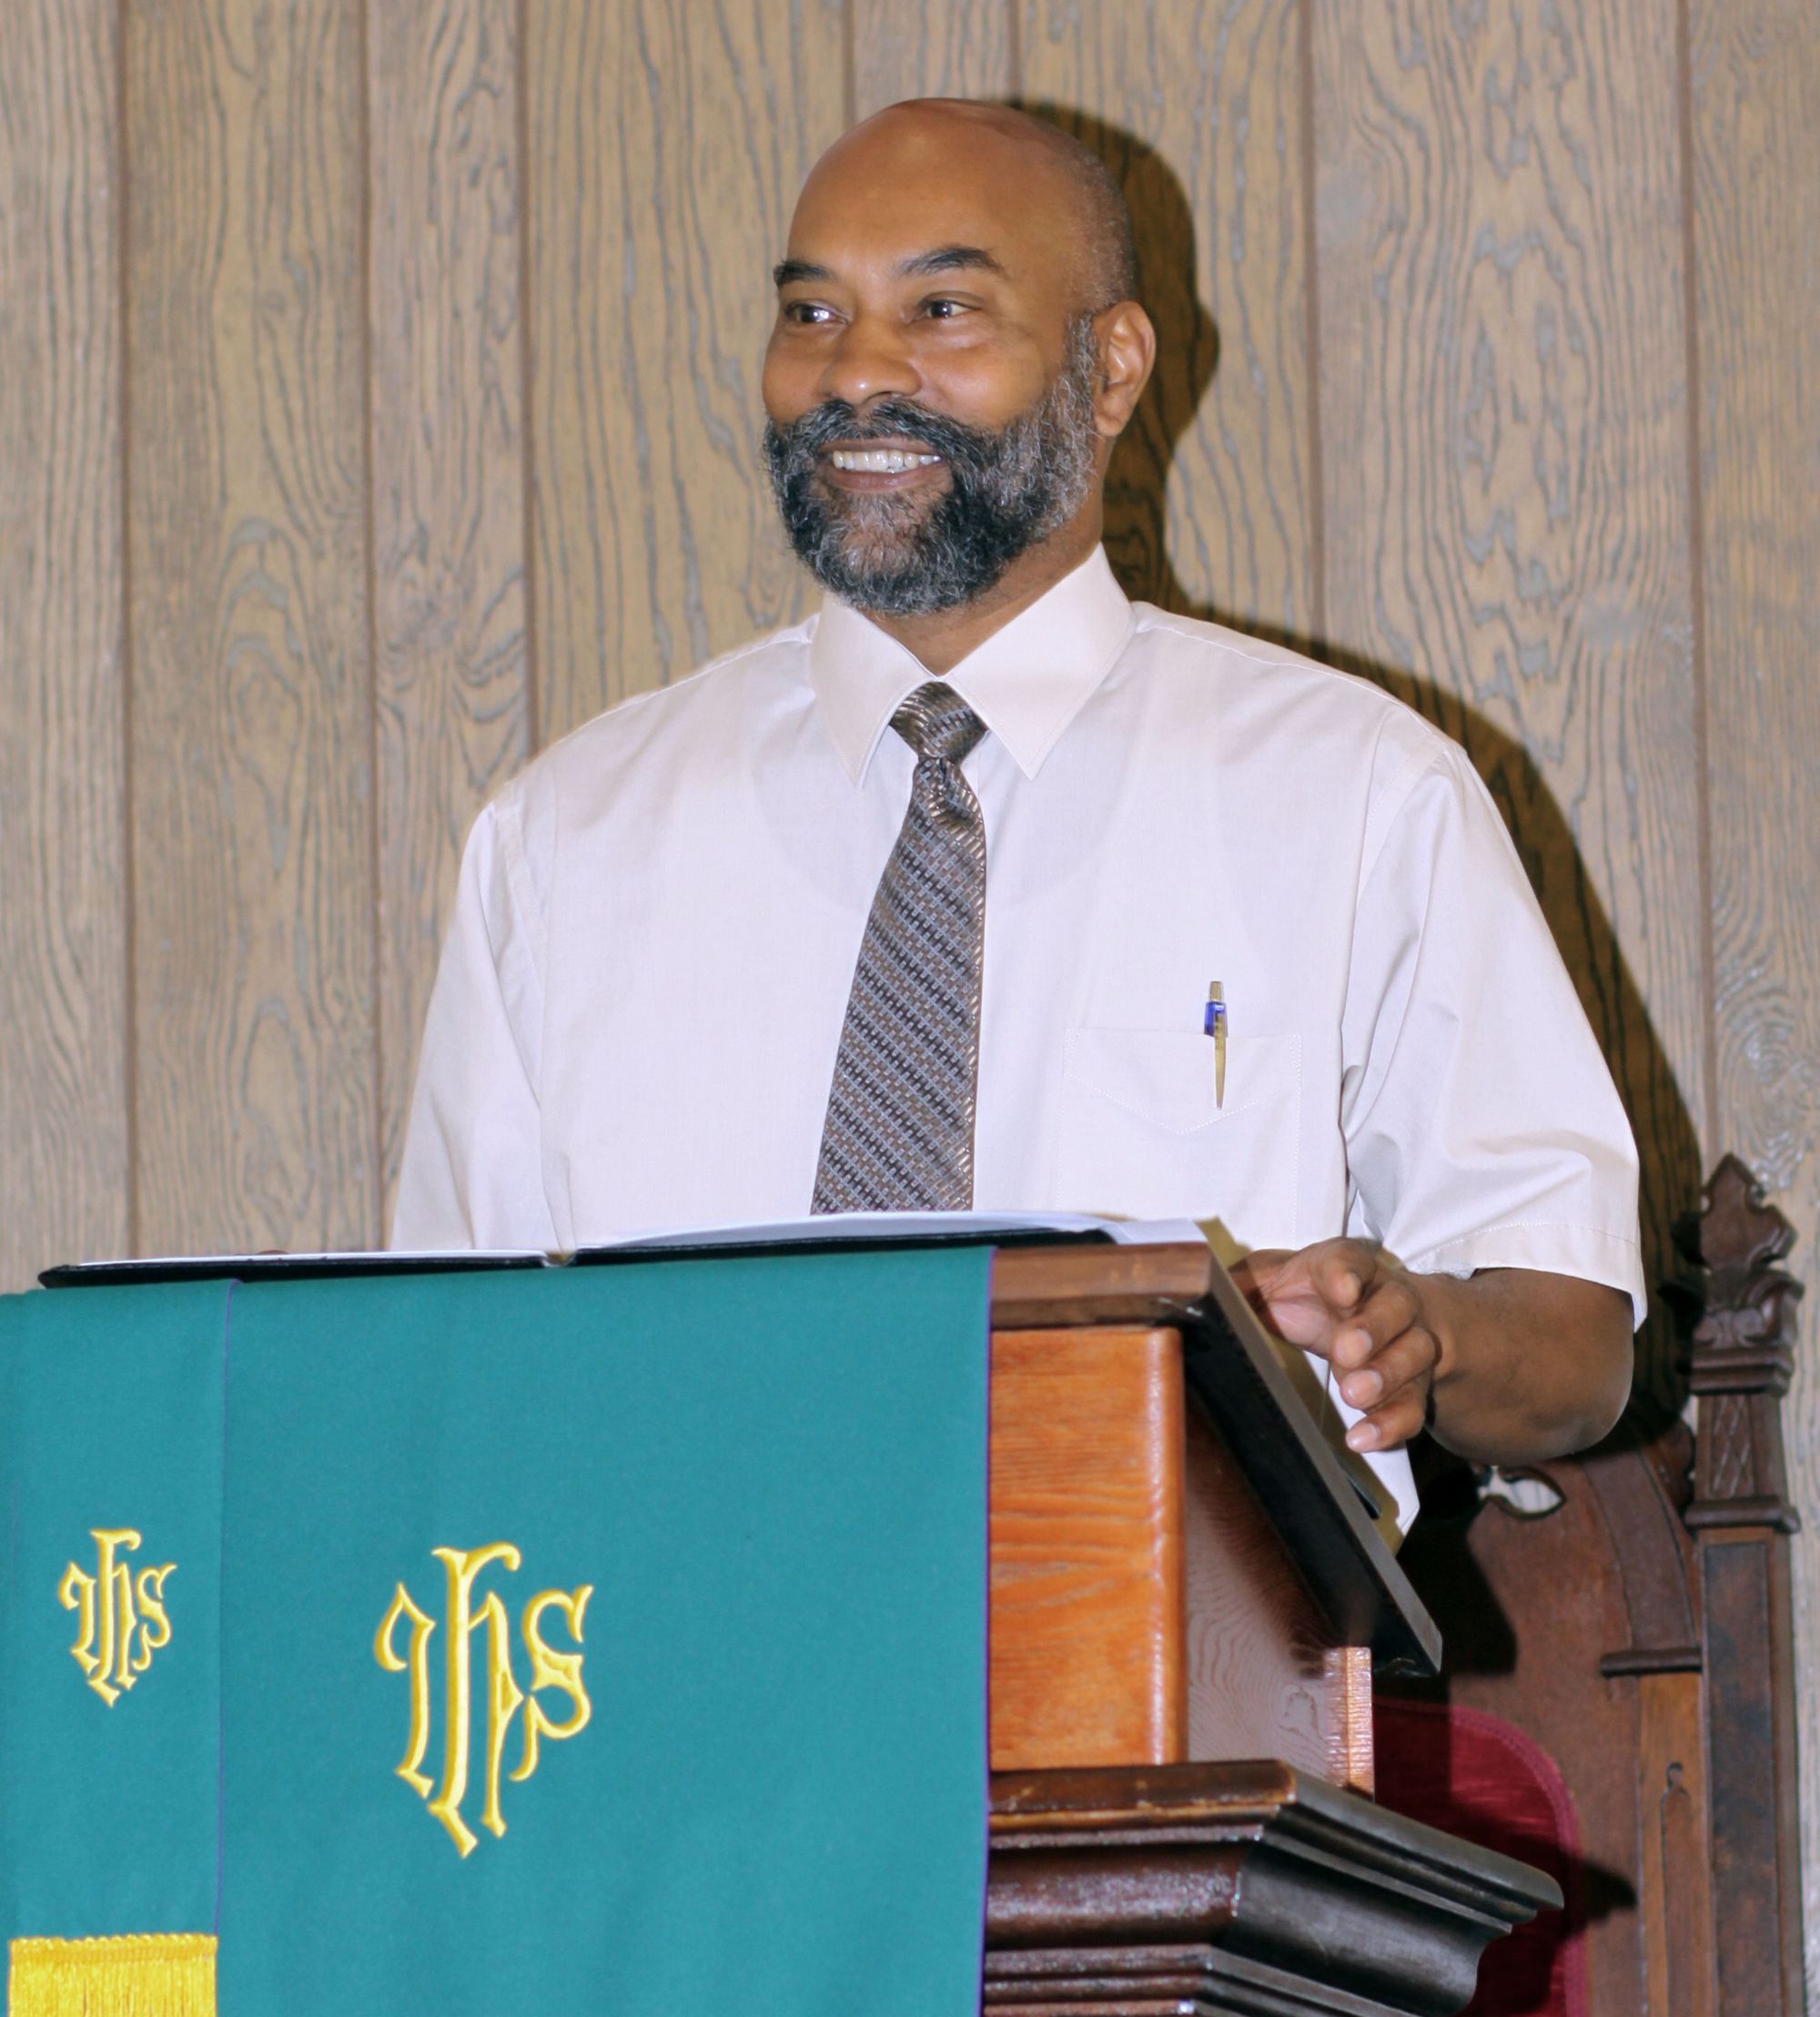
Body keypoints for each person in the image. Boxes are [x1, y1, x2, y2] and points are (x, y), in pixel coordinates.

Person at [392, 96, 1642, 1538]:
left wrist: (1418, 1327)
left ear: (1109, 369)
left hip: (1175, 1692)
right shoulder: (566, 843)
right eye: (811, 312)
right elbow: (444, 1361)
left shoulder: (1358, 794)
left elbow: (1573, 1335)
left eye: (942, 306)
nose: (856, 372)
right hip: (671, 1679)